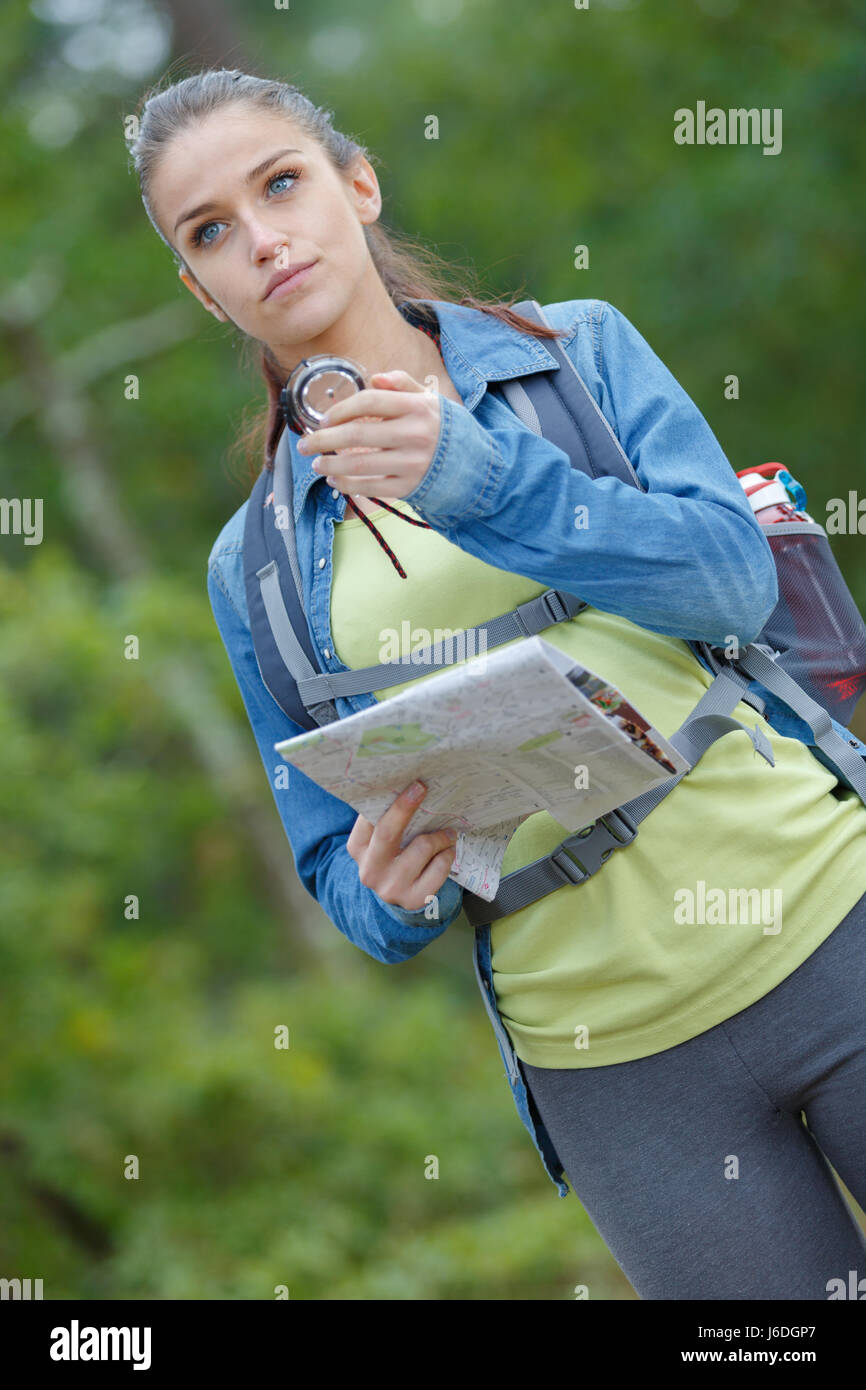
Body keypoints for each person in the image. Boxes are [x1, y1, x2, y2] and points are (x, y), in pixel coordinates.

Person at [129, 67, 866, 1300]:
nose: (261, 239)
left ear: (356, 184)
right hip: (617, 1075)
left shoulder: (572, 352)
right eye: (209, 231)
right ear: (199, 288)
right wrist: (395, 897)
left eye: (281, 185)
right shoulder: (248, 565)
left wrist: (480, 480)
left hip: (825, 923)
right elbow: (335, 877)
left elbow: (734, 582)